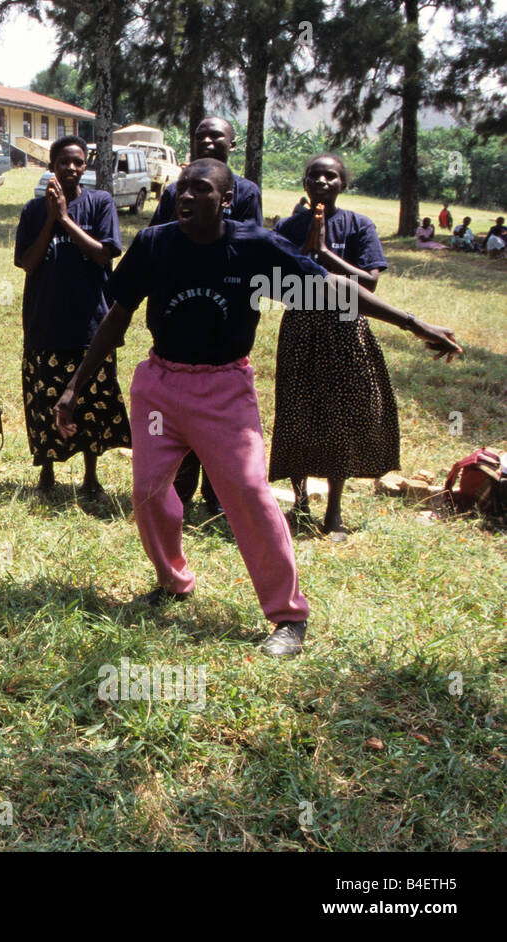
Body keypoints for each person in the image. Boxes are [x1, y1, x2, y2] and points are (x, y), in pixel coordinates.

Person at [54, 159, 461, 657]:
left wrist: (413, 323)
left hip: (224, 390)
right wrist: (75, 385)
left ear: (225, 201)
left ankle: (288, 616)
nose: (185, 198)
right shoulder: (156, 245)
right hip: (160, 385)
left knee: (249, 491)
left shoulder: (252, 249)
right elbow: (118, 316)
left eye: (200, 190)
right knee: (147, 491)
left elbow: (330, 289)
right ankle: (173, 580)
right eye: (182, 189)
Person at [271, 154, 402, 539]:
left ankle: (333, 511)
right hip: (300, 327)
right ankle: (299, 501)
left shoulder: (359, 226)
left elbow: (370, 284)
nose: (322, 181)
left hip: (346, 328)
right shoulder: (287, 227)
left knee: (342, 415)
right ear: (305, 182)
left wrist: (324, 253)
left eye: (331, 175)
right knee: (296, 411)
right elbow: (276, 283)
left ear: (343, 182)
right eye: (315, 175)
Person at [151, 116, 263, 518]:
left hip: (224, 311)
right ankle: (178, 492)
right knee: (177, 417)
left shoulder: (245, 192)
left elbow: (249, 248)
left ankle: (218, 497)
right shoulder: (173, 191)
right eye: (201, 135)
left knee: (220, 423)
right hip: (178, 311)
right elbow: (158, 243)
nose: (209, 140)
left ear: (232, 144)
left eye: (217, 135)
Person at [14, 135, 129, 495]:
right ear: (51, 167)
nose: (71, 168)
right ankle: (46, 470)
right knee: (44, 397)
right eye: (63, 162)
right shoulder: (34, 211)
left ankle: (90, 475)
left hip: (91, 324)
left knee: (91, 399)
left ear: (86, 167)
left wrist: (65, 218)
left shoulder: (100, 203)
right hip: (45, 321)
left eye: (78, 162)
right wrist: (50, 220)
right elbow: (27, 262)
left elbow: (104, 254)